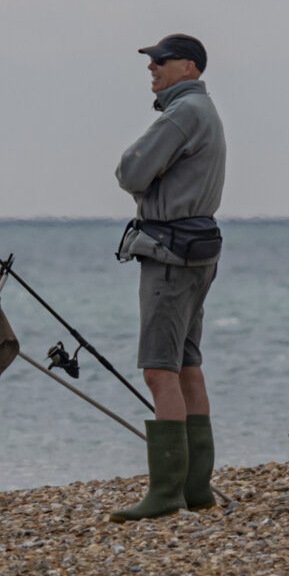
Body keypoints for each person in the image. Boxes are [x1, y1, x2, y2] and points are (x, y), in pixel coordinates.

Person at [109, 33, 226, 521]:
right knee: (187, 365)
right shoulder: (204, 111)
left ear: (189, 67)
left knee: (159, 370)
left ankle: (166, 492)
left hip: (170, 254)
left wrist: (145, 171)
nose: (152, 67)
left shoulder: (182, 114)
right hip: (198, 252)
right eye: (151, 61)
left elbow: (129, 173)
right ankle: (196, 488)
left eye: (161, 60)